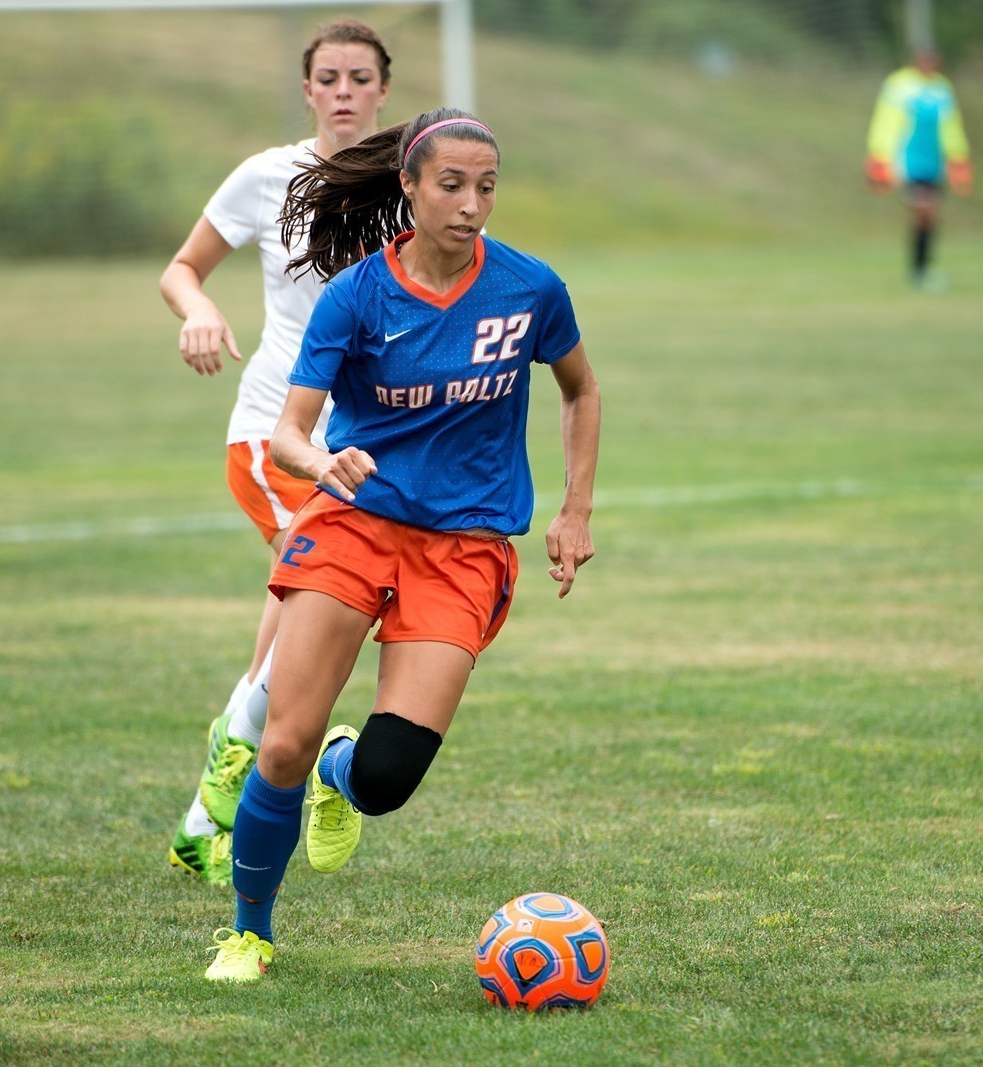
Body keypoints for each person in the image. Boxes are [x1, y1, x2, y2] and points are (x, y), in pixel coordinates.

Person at [202, 107, 601, 982]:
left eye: (485, 187)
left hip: (464, 548)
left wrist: (575, 510)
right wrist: (321, 459)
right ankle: (248, 933)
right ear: (409, 187)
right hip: (353, 521)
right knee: (280, 745)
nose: (470, 204)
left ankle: (340, 776)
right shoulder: (356, 295)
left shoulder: (531, 290)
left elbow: (581, 390)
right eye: (451, 184)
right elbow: (290, 436)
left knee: (386, 779)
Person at [156, 19, 393, 887]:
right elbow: (182, 267)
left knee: (309, 617)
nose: (341, 91)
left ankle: (211, 803)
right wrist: (198, 310)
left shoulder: (405, 189)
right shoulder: (267, 176)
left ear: (380, 91)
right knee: (321, 611)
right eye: (326, 77)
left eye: (357, 78)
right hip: (276, 440)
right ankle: (323, 761)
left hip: (365, 447)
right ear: (307, 90)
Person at [865, 47, 973, 291]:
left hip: (933, 160)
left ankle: (921, 269)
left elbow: (951, 126)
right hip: (907, 159)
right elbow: (885, 121)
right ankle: (919, 271)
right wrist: (879, 157)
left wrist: (958, 158)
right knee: (923, 210)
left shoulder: (942, 88)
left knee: (930, 216)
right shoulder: (899, 85)